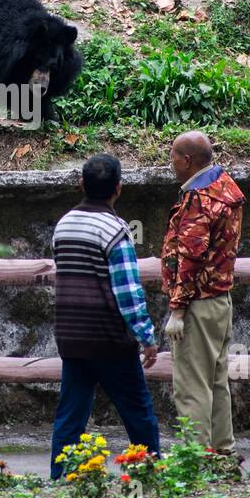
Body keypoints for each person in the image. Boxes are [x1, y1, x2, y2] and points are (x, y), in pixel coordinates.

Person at [50, 154, 160, 480]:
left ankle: (61, 477)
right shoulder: (115, 229)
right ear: (118, 188)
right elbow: (128, 292)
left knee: (70, 415)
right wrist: (146, 336)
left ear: (81, 184)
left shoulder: (63, 224)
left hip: (71, 336)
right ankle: (150, 473)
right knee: (139, 413)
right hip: (110, 338)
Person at [161, 131, 245, 454]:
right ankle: (222, 451)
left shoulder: (198, 199)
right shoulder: (226, 186)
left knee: (192, 387)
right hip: (220, 301)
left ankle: (196, 459)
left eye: (173, 159)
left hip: (196, 303)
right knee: (216, 381)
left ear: (186, 161)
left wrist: (177, 310)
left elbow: (191, 257)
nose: (171, 165)